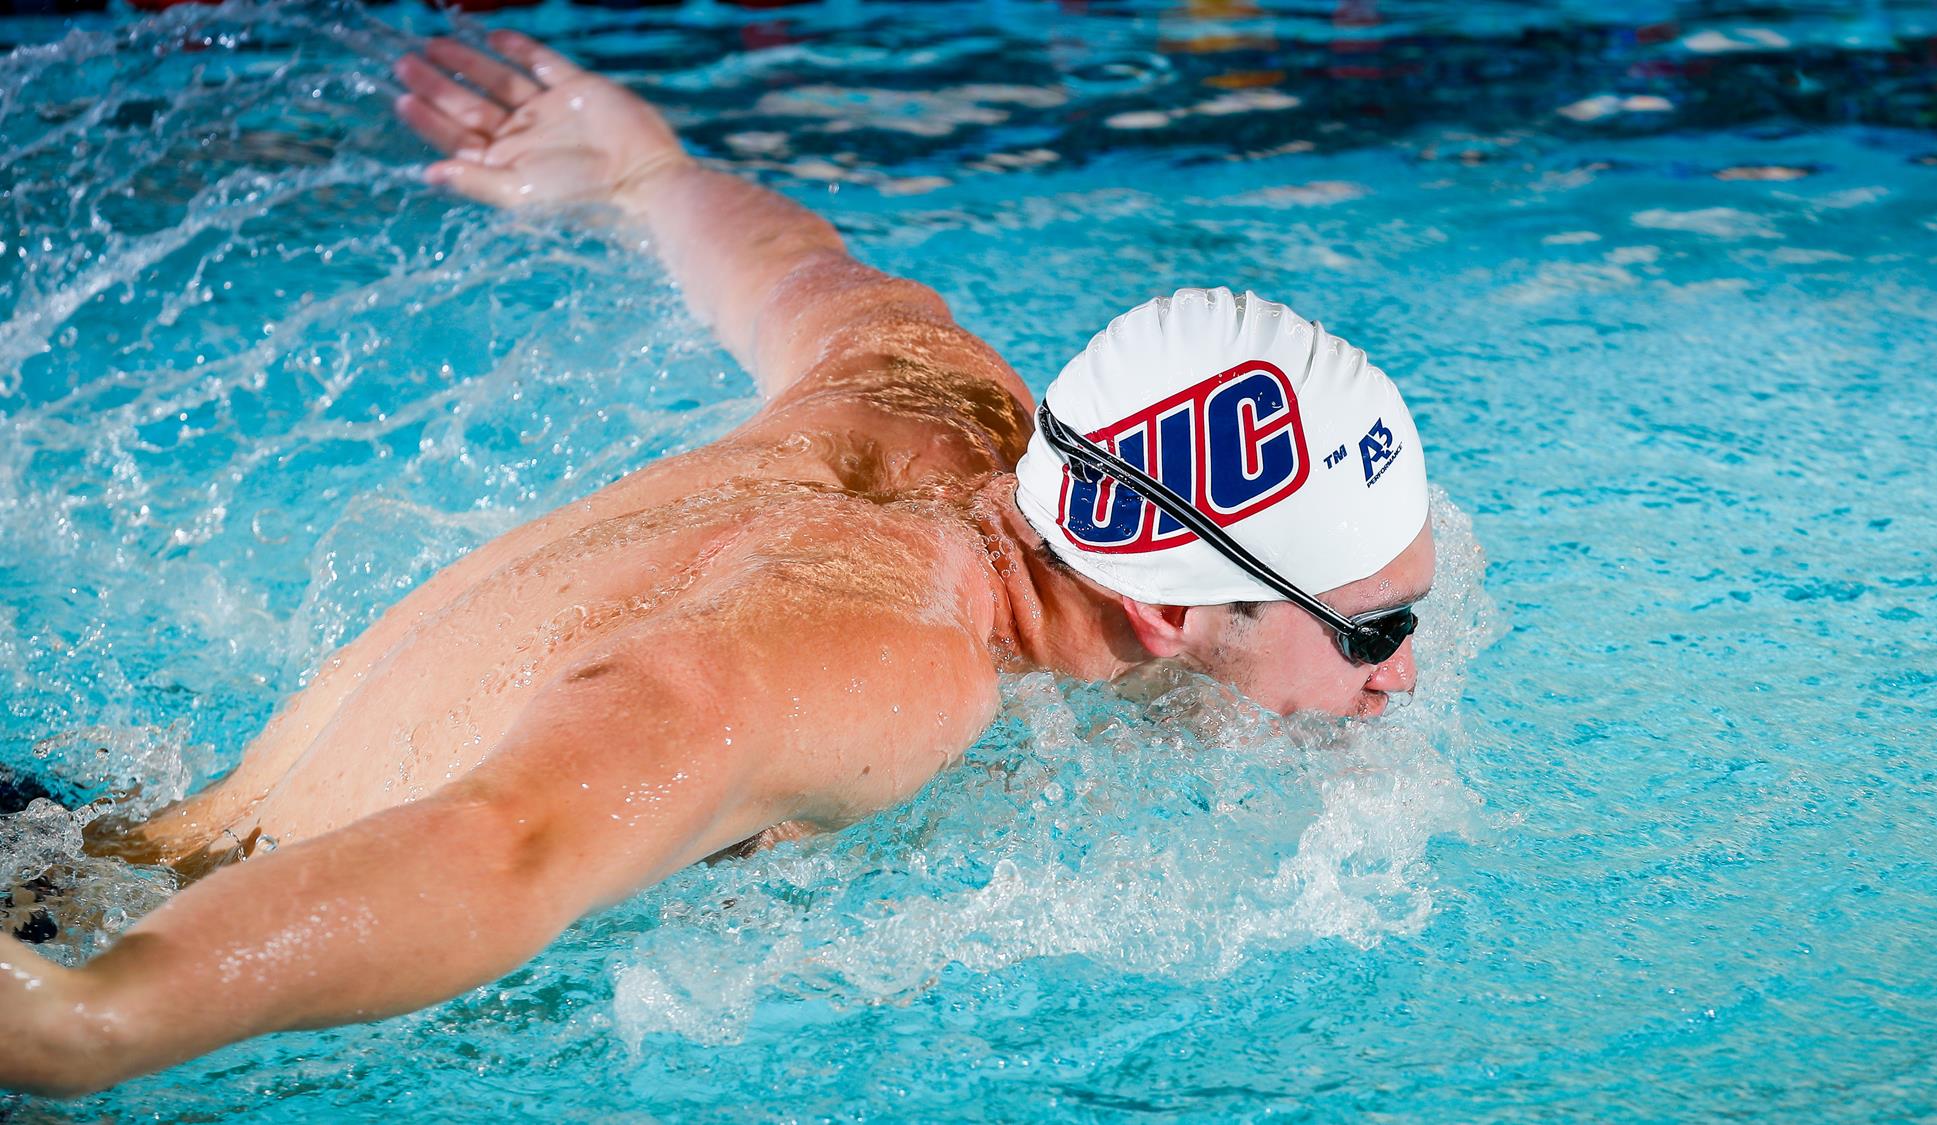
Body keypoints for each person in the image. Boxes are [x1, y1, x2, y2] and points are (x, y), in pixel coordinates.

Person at [0, 30, 1434, 1097]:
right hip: (83, 937)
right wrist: (92, 1022)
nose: (1402, 680)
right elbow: (510, 844)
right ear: (1172, 602)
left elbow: (786, 263)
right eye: (1374, 633)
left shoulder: (935, 390)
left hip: (78, 834)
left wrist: (643, 170)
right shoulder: (897, 668)